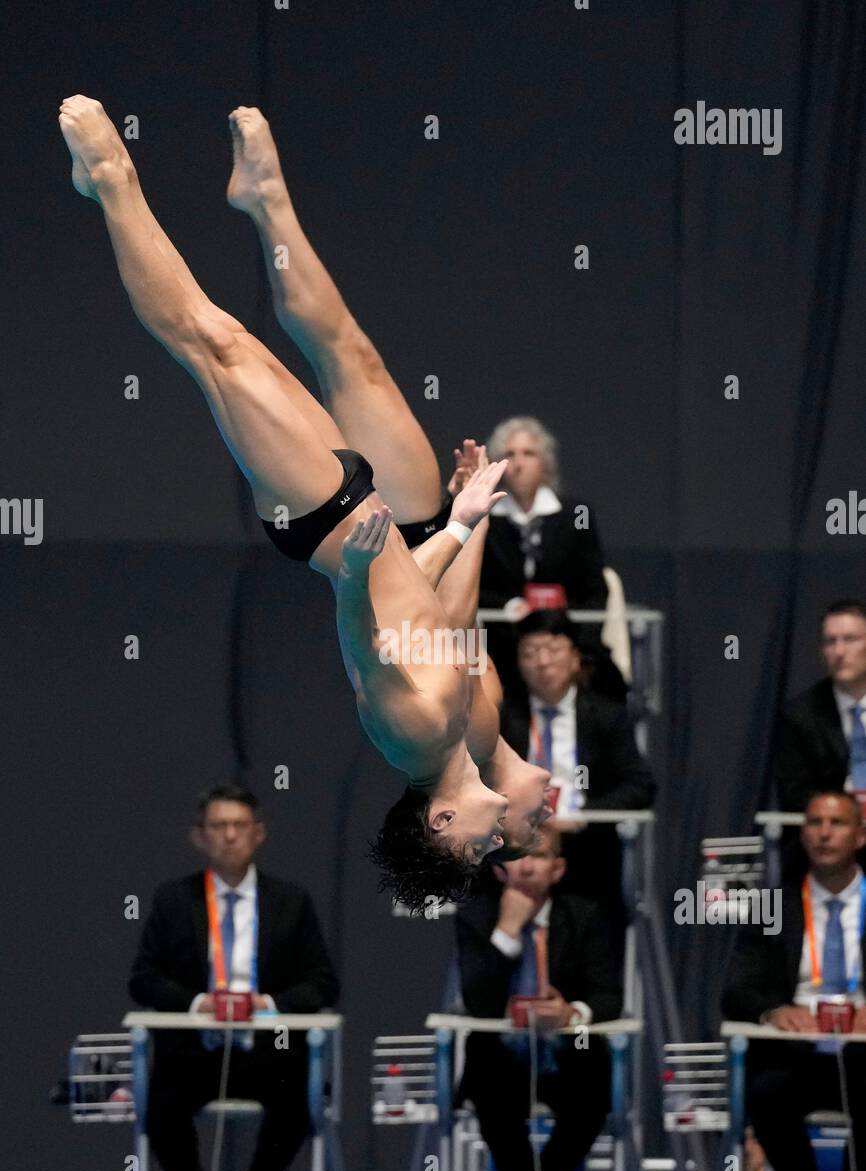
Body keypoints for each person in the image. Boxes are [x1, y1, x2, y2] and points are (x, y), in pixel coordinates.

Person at [59, 95, 508, 912]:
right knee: (230, 342)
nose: (496, 840)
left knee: (211, 346)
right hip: (344, 507)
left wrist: (356, 576)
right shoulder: (444, 732)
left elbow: (367, 652)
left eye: (477, 848)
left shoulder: (415, 741)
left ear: (442, 822)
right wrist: (461, 524)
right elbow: (413, 604)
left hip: (323, 518)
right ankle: (163, 190)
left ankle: (111, 179)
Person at [129, 785, 338, 1171]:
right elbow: (143, 979)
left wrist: (265, 1003)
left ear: (258, 833)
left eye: (239, 826)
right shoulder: (173, 900)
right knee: (161, 1104)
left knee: (301, 1098)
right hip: (196, 1051)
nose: (229, 836)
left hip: (265, 1051)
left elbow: (322, 983)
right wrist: (198, 1003)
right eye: (218, 826)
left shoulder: (291, 901)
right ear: (198, 836)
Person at [455, 825, 622, 1171]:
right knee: (485, 1074)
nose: (527, 866)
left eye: (539, 856)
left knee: (593, 1086)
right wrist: (508, 932)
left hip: (567, 1053)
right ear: (499, 869)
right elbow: (478, 1004)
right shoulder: (477, 917)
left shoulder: (585, 916)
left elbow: (608, 996)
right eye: (516, 856)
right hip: (503, 1059)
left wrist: (570, 1013)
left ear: (557, 869)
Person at [722, 790, 866, 1171]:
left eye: (837, 823)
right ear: (802, 834)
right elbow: (737, 988)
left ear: (860, 836)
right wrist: (774, 1011)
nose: (824, 833)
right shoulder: (773, 903)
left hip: (862, 1049)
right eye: (815, 823)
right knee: (767, 1092)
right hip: (798, 1050)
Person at [500, 608, 655, 941]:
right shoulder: (503, 719)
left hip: (585, 850)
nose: (542, 662)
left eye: (553, 649)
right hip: (518, 852)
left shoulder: (606, 716)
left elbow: (641, 786)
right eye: (530, 652)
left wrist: (583, 815)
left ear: (575, 659)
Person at [478, 415, 625, 701]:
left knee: (605, 687)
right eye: (510, 454)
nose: (519, 463)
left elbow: (594, 589)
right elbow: (473, 587)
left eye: (528, 453)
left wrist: (577, 649)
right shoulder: (484, 519)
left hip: (568, 640)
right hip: (503, 646)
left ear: (545, 462)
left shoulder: (575, 516)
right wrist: (509, 606)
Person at [777, 599, 866, 812]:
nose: (839, 651)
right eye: (830, 641)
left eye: (850, 639)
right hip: (833, 826)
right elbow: (796, 795)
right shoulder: (801, 715)